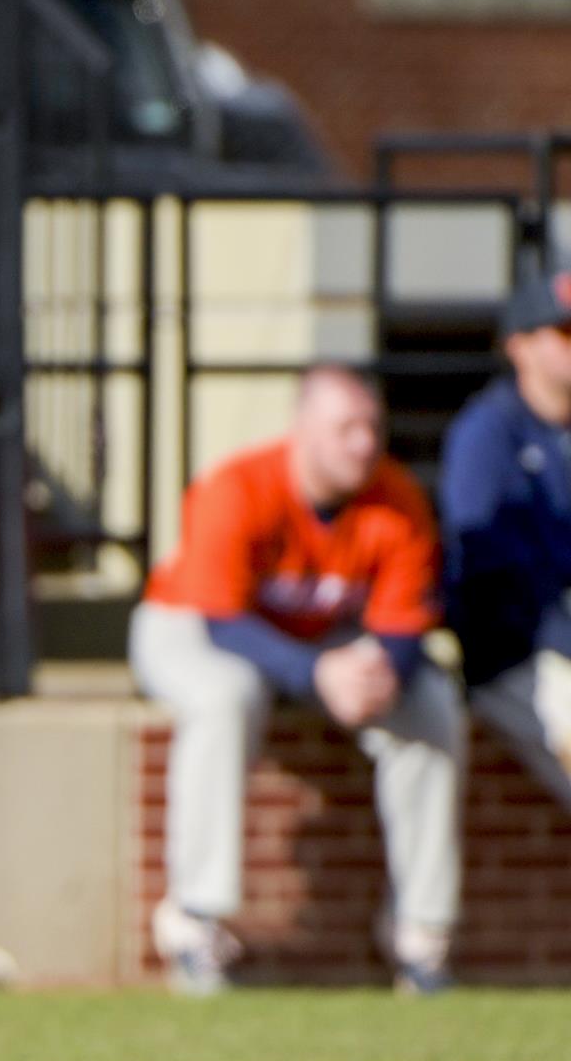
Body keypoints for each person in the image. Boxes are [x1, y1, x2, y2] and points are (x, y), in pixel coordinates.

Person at [129, 366, 464, 996]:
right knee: (226, 695)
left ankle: (422, 936)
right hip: (192, 624)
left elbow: (405, 622)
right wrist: (316, 675)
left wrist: (381, 670)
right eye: (345, 429)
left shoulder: (397, 501)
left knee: (429, 703)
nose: (363, 443)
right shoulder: (238, 485)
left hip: (321, 639)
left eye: (371, 427)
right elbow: (223, 620)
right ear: (301, 431)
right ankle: (195, 922)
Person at [440, 271, 571, 811]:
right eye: (563, 334)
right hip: (521, 657)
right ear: (519, 346)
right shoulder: (488, 434)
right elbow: (490, 582)